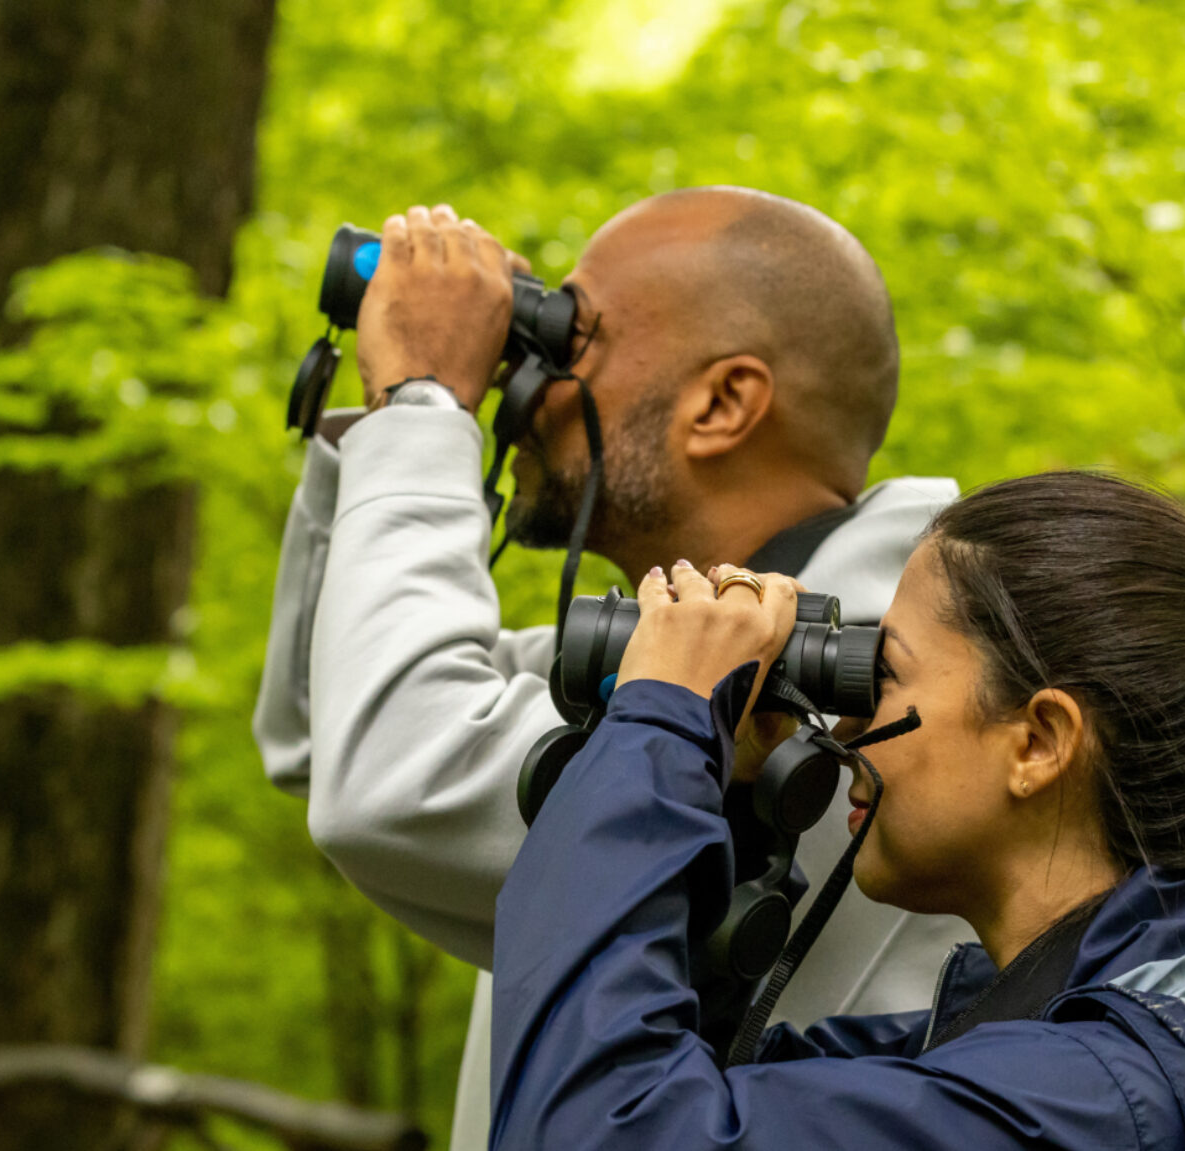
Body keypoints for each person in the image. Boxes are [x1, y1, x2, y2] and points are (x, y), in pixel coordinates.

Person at [253, 190, 974, 1148]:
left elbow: (390, 779)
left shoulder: (857, 676)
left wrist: (423, 403)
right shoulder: (681, 640)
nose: (533, 381)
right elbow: (321, 725)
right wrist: (376, 441)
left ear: (721, 404)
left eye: (570, 335)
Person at [491, 471, 1185, 1151]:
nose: (848, 720)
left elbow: (591, 1129)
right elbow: (708, 1091)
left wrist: (659, 718)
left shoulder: (1095, 1104)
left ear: (1039, 742)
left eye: (882, 673)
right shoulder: (1075, 1044)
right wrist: (730, 794)